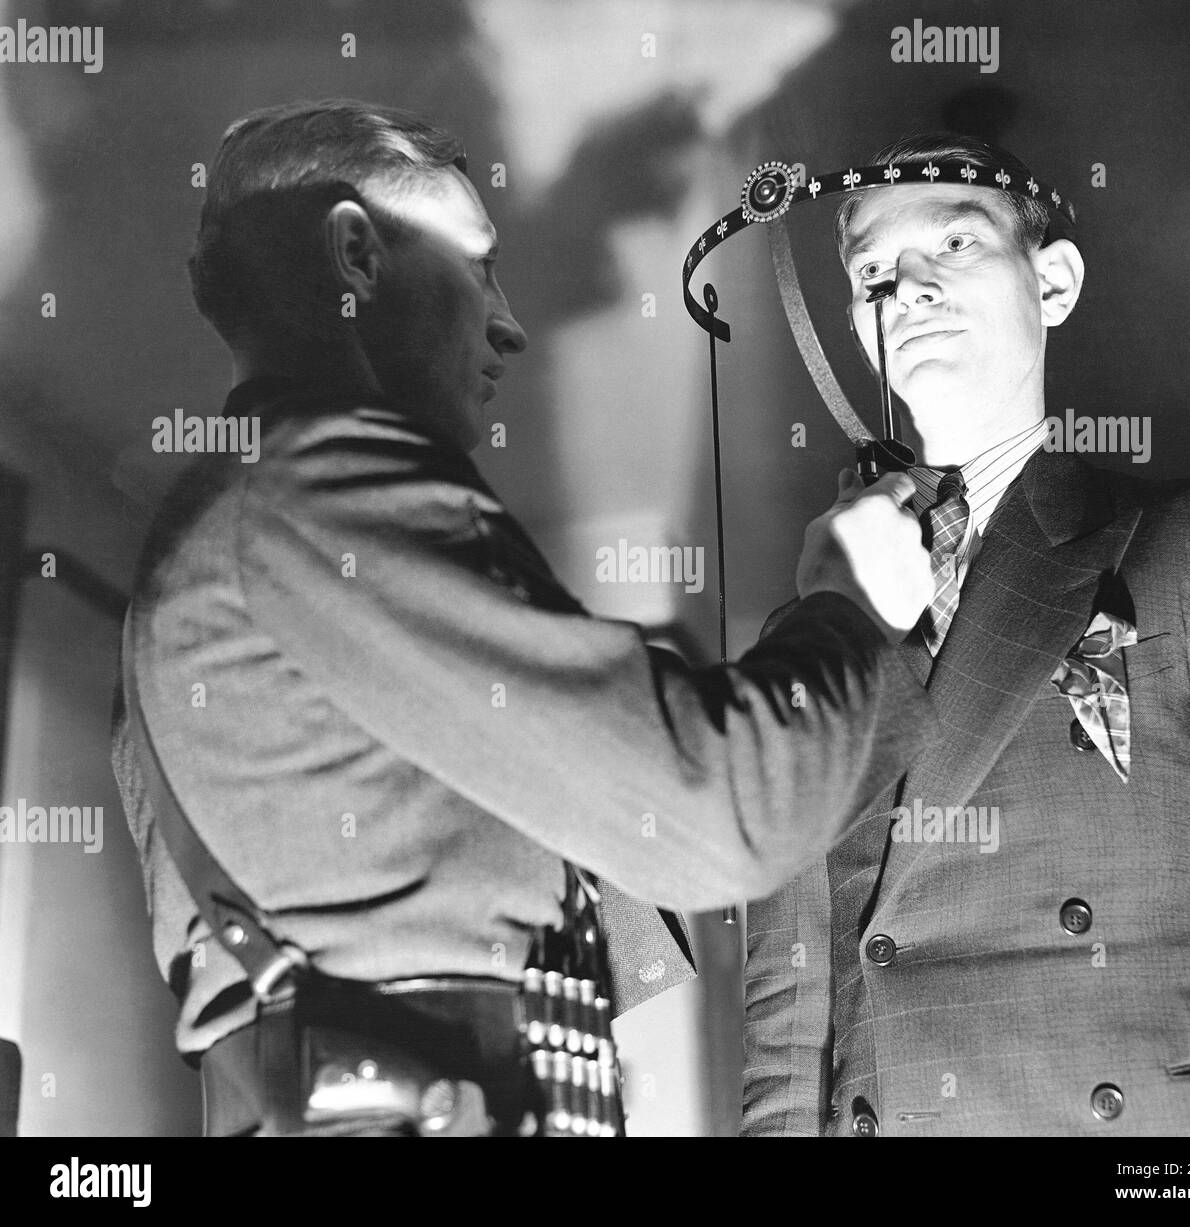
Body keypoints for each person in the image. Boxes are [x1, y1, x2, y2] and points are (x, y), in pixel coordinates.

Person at [111, 99, 936, 1137]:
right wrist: (853, 608)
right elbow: (714, 818)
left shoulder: (260, 521)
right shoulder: (325, 491)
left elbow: (566, 876)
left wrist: (662, 692)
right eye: (480, 262)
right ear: (357, 255)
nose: (509, 321)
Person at [743, 132, 1190, 1137]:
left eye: (952, 246)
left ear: (1052, 281)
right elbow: (788, 1023)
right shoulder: (813, 626)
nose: (903, 287)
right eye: (872, 269)